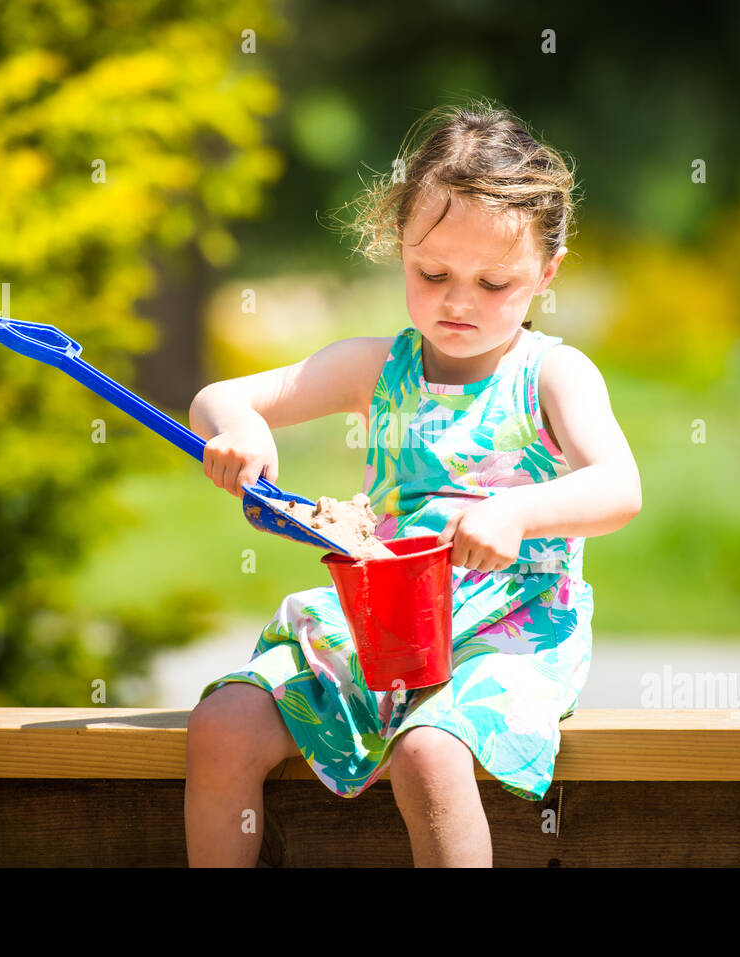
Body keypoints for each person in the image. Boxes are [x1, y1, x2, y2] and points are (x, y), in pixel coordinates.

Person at [184, 99, 642, 867]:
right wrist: (243, 431)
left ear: (547, 273)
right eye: (433, 273)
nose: (460, 301)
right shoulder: (377, 366)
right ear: (400, 247)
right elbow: (223, 397)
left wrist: (520, 510)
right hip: (380, 630)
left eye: (495, 282)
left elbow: (619, 487)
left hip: (507, 636)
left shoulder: (551, 373)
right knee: (222, 724)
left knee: (428, 754)